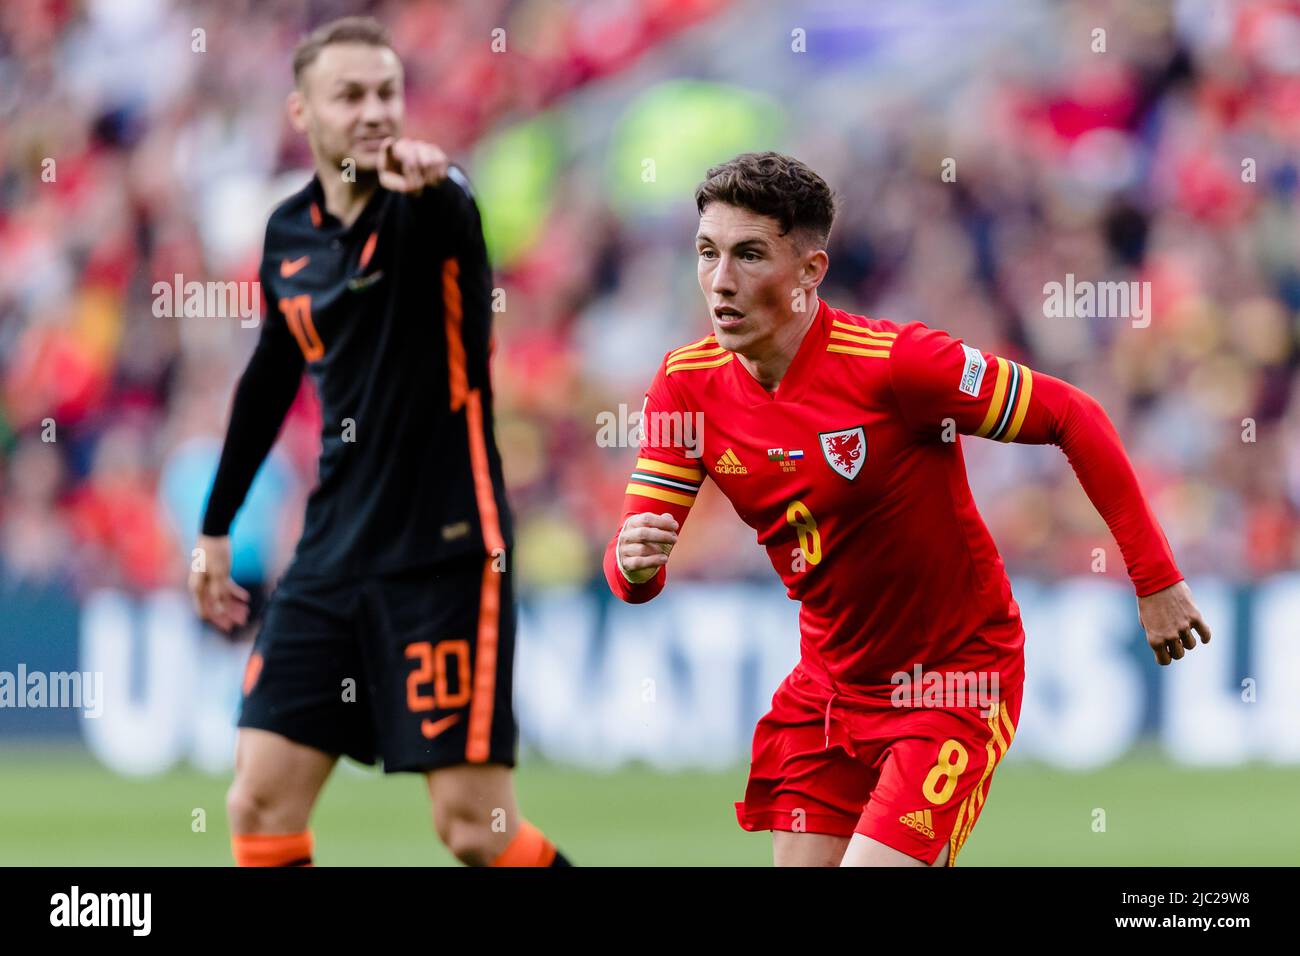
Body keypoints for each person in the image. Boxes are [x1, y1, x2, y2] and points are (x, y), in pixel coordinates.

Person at [604, 151, 1209, 867]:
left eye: (749, 255)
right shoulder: (685, 385)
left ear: (810, 272)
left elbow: (1074, 416)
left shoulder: (898, 366)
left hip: (953, 680)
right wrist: (632, 561)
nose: (720, 281)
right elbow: (634, 576)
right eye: (707, 253)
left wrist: (1156, 580)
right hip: (828, 689)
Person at [189, 16, 568, 867]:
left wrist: (431, 178)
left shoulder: (435, 206)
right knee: (257, 801)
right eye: (349, 95)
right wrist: (215, 527)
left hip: (443, 550)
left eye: (387, 94)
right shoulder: (288, 234)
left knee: (476, 828)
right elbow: (268, 384)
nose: (373, 112)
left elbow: (445, 188)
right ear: (301, 112)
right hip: (331, 553)